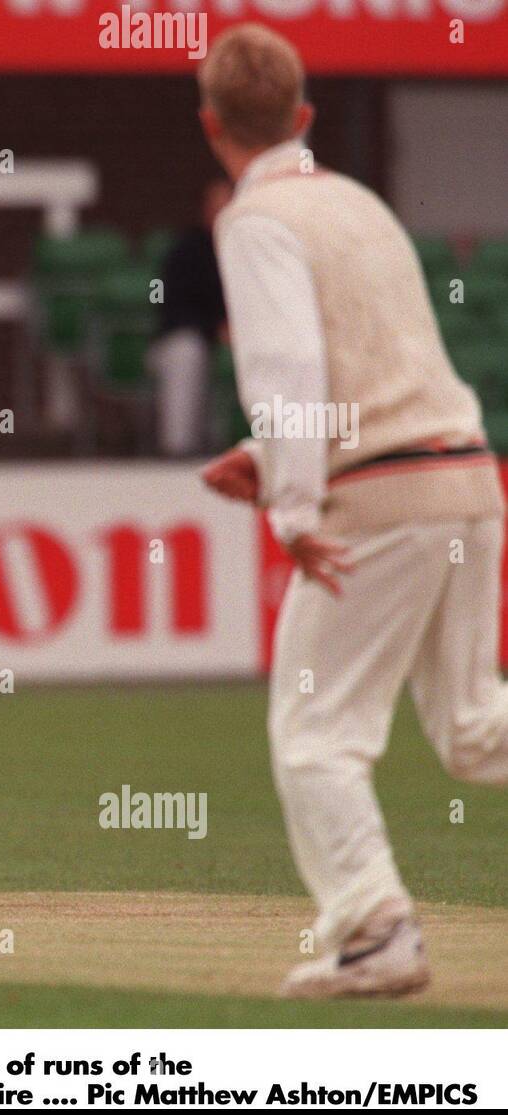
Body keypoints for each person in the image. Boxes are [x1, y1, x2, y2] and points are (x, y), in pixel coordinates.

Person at [198, 25, 506, 998]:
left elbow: (291, 369)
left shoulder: (253, 221)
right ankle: (371, 926)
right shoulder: (359, 202)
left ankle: (374, 928)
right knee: (470, 728)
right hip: (463, 473)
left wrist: (289, 504)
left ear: (211, 126)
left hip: (379, 492)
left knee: (315, 730)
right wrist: (266, 456)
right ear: (303, 117)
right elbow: (383, 356)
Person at [149, 179, 231, 457]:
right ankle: (178, 452)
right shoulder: (185, 252)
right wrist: (215, 329)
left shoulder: (250, 248)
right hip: (187, 339)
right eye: (216, 206)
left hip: (243, 339)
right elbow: (173, 310)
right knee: (187, 351)